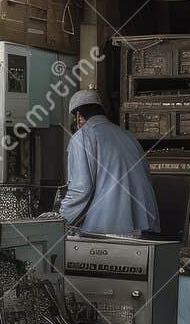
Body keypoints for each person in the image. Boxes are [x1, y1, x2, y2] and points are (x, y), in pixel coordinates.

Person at [58, 89, 159, 237]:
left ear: (79, 116)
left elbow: (80, 189)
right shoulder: (128, 136)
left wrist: (59, 220)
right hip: (145, 226)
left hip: (109, 230)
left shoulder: (82, 136)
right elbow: (147, 178)